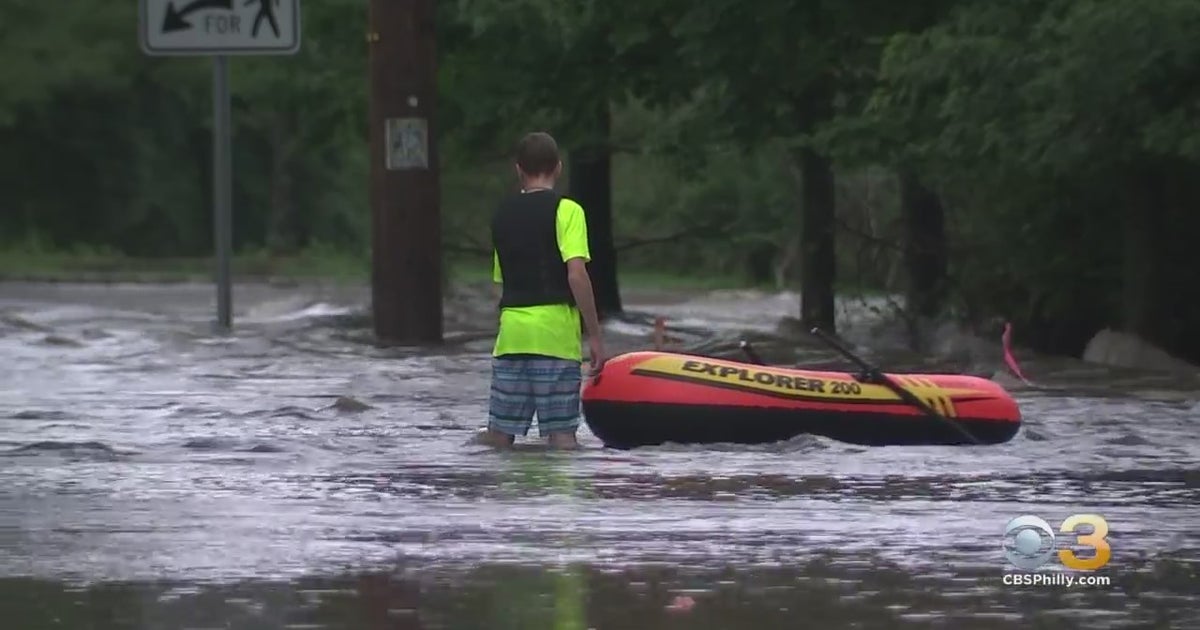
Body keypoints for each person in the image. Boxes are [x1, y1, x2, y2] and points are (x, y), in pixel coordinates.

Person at [483, 132, 606, 449]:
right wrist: (594, 334)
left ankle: (507, 497)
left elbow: (503, 282)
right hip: (555, 339)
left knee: (499, 437)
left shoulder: (501, 215)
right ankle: (555, 500)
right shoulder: (569, 211)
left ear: (518, 169)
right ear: (559, 168)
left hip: (511, 337)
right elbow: (576, 275)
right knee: (562, 438)